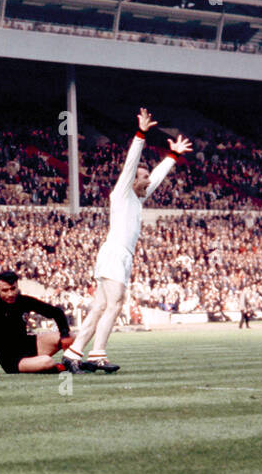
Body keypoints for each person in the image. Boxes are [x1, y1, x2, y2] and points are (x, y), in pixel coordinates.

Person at [63, 108, 192, 372]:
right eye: (143, 177)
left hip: (121, 255)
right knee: (116, 303)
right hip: (114, 253)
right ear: (132, 181)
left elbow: (155, 177)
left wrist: (173, 156)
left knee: (100, 306)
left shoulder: (138, 198)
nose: (148, 180)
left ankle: (74, 352)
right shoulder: (122, 193)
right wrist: (141, 134)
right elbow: (131, 164)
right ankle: (97, 353)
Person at [0, 270, 74, 376]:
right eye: (5, 290)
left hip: (29, 345)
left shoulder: (23, 301)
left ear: (17, 286)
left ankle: (74, 362)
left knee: (72, 337)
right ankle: (64, 367)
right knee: (47, 361)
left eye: (13, 289)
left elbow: (56, 312)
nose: (10, 294)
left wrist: (64, 334)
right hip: (13, 360)